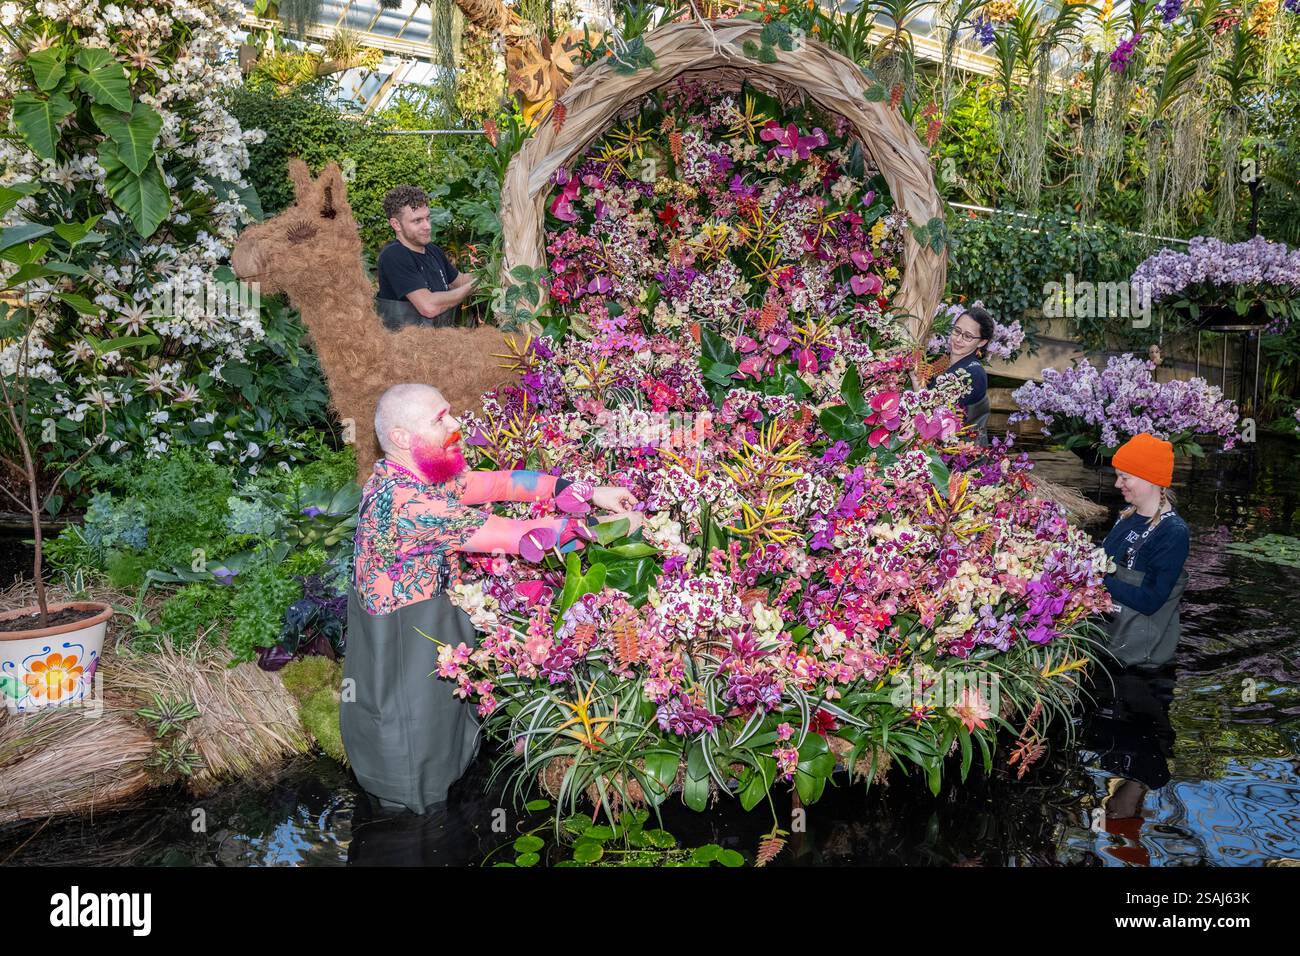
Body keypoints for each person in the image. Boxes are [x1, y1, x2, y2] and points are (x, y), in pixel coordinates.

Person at [341, 383, 641, 813]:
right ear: (404, 438)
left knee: (447, 781)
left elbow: (504, 483)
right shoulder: (407, 507)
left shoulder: (409, 476)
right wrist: (614, 526)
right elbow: (525, 538)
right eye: (439, 418)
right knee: (415, 821)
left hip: (425, 661)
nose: (455, 424)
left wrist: (588, 493)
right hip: (403, 701)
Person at [1099, 433, 1190, 671]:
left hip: (1142, 667)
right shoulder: (1127, 515)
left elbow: (1150, 601)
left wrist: (1098, 579)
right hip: (1108, 646)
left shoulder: (1173, 532)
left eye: (1124, 477)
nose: (1117, 484)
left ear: (1150, 479)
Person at [375, 185, 478, 330]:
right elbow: (429, 307)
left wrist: (489, 274)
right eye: (417, 221)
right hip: (406, 348)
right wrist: (472, 287)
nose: (427, 226)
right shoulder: (394, 256)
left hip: (439, 344)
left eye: (427, 218)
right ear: (396, 224)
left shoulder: (432, 250)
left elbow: (459, 281)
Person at [913, 306, 994, 442]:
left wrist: (914, 378)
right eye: (957, 331)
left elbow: (932, 412)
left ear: (982, 342)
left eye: (967, 336)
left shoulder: (972, 374)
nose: (958, 339)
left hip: (955, 453)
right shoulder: (943, 360)